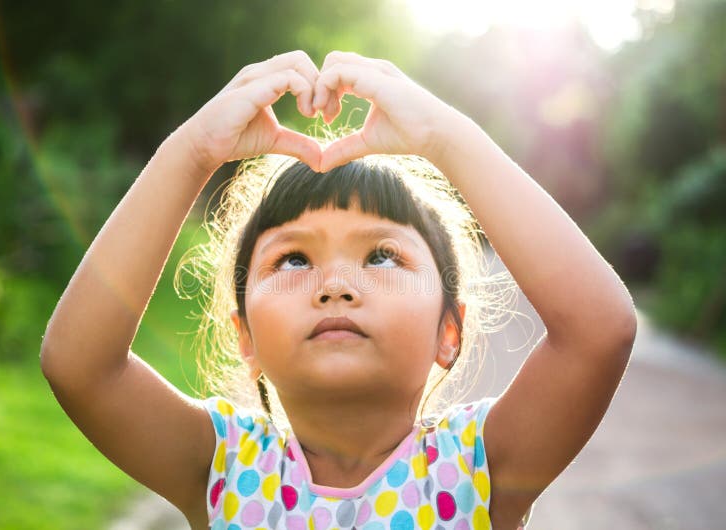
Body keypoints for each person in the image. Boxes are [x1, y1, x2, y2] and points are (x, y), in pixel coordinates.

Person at [39, 50, 637, 529]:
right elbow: (78, 366)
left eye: (382, 255)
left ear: (448, 331)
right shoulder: (221, 466)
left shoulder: (480, 468)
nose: (335, 285)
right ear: (245, 338)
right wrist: (192, 151)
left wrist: (444, 138)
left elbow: (600, 331)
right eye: (294, 259)